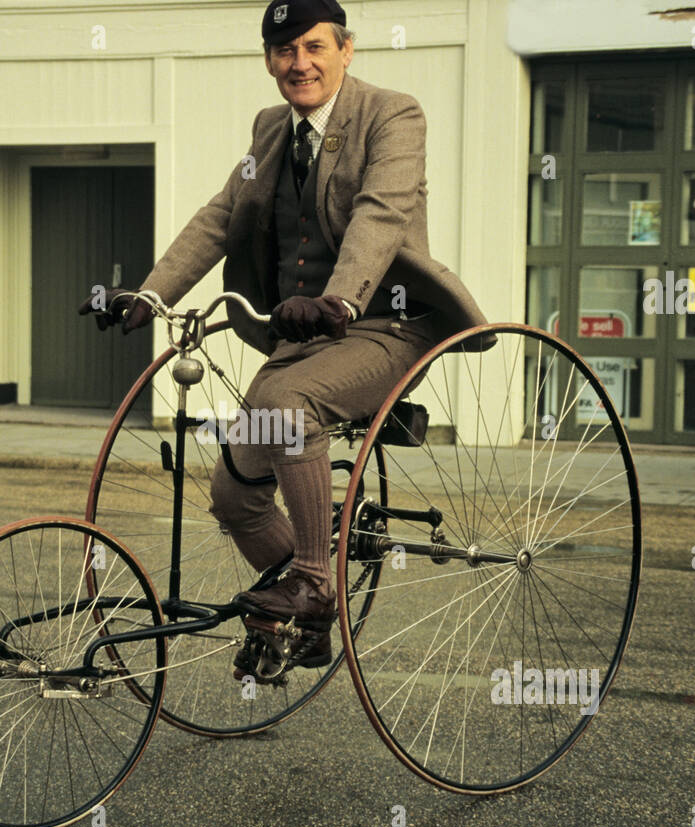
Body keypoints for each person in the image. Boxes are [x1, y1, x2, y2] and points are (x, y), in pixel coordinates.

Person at [81, 0, 491, 681]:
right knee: (236, 497)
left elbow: (380, 213)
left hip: (384, 322)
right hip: (301, 331)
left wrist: (339, 298)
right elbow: (221, 216)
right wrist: (151, 295)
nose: (297, 63)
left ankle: (312, 580)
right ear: (269, 59)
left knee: (292, 401)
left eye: (312, 46)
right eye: (282, 51)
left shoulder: (392, 115)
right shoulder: (272, 128)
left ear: (346, 50)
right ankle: (308, 617)